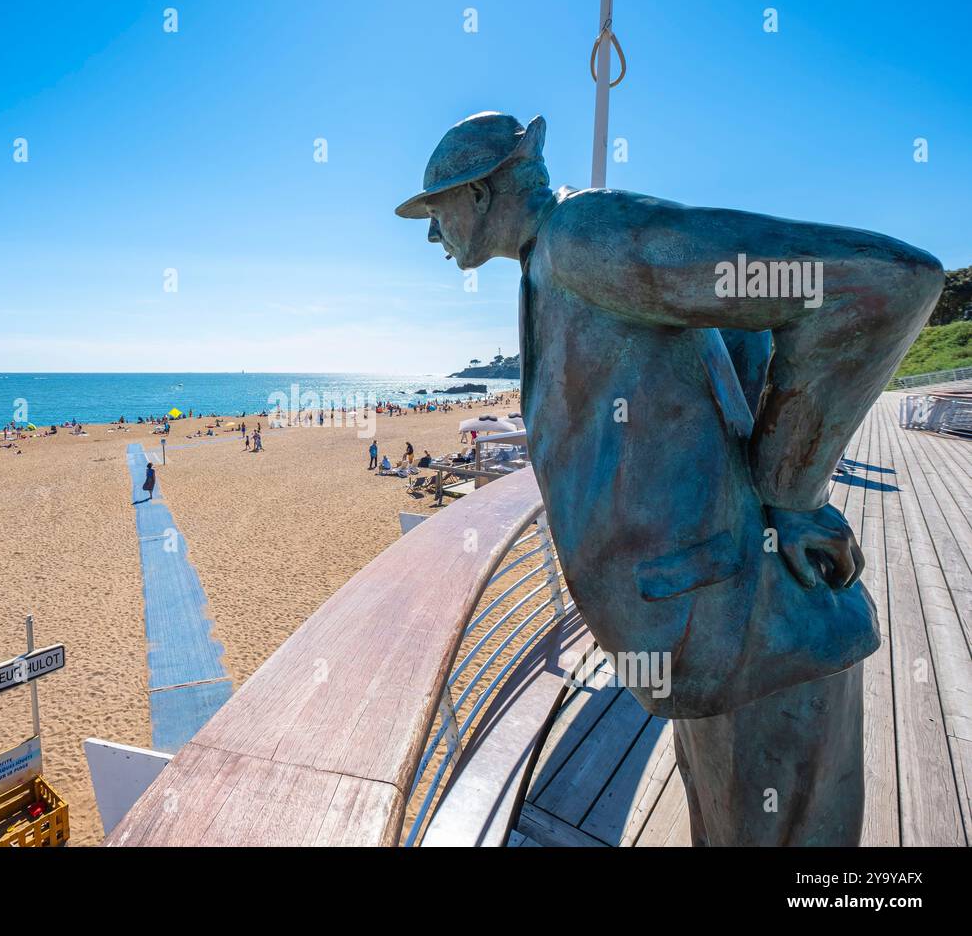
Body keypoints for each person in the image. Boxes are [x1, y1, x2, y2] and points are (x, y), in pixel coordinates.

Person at [396, 110, 944, 846]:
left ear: (483, 195)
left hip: (759, 638)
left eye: (437, 211)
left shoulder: (587, 236)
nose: (434, 234)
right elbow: (749, 344)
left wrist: (790, 493)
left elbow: (881, 283)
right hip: (706, 645)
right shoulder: (548, 260)